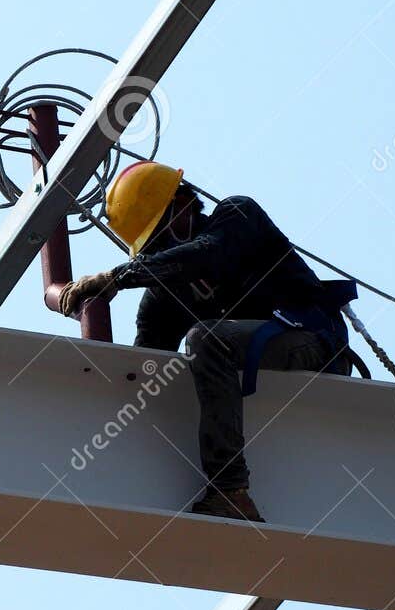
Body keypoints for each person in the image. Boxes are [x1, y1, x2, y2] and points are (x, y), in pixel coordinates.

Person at [58, 161, 352, 522]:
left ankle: (230, 490)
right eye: (152, 244)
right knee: (201, 345)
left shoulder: (237, 216)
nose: (161, 247)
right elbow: (142, 369)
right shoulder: (165, 296)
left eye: (162, 234)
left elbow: (206, 253)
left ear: (183, 204)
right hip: (254, 360)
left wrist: (118, 277)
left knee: (207, 338)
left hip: (313, 345)